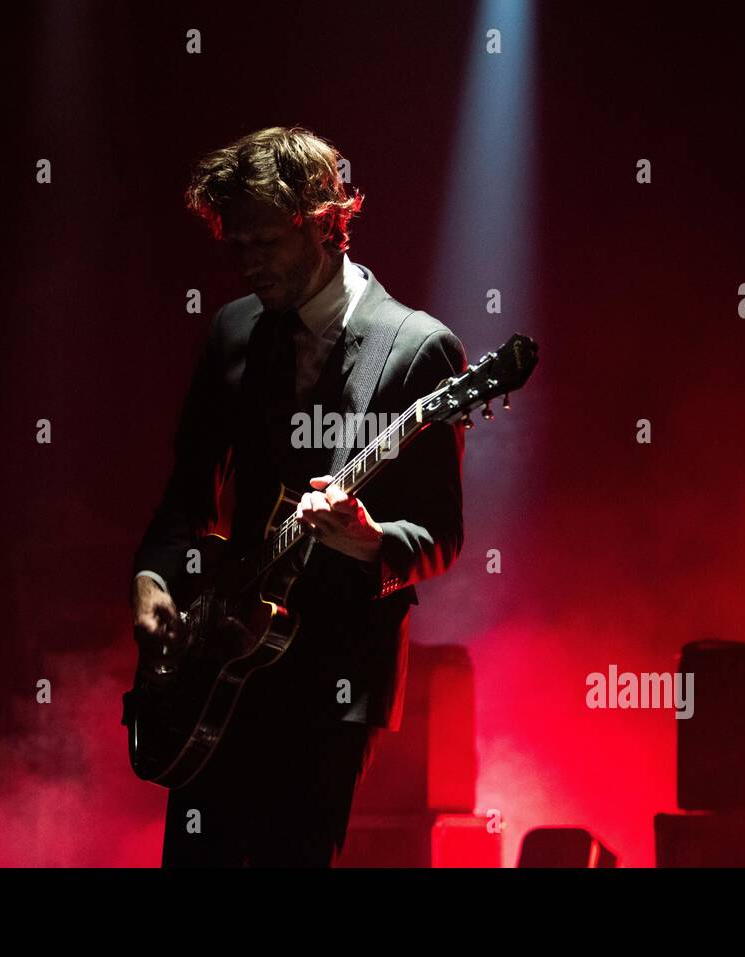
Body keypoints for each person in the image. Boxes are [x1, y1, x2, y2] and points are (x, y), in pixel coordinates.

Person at [132, 126, 466, 866]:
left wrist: (372, 539)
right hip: (222, 653)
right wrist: (154, 574)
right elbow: (187, 490)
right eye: (235, 247)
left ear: (323, 221)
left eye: (264, 243)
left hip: (331, 679)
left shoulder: (415, 348)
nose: (247, 264)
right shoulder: (234, 330)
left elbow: (442, 532)